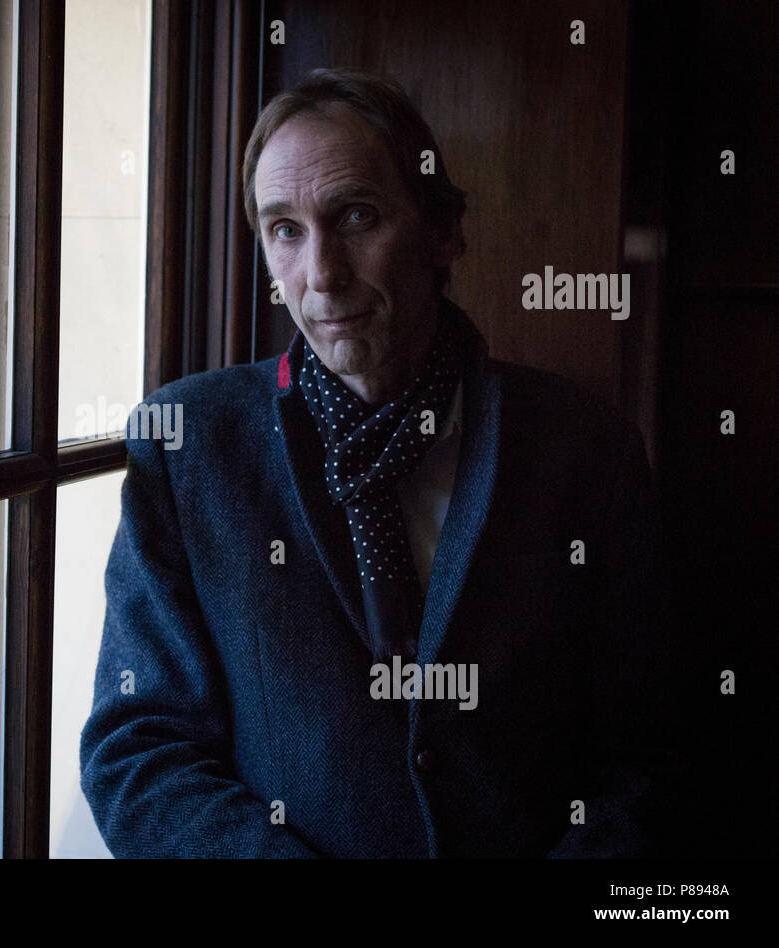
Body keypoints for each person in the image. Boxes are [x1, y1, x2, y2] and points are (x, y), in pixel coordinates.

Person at [80, 68, 668, 857]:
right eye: (286, 230)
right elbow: (138, 750)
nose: (322, 275)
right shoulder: (187, 444)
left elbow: (644, 750)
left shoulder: (586, 448)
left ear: (442, 231)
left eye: (356, 216)